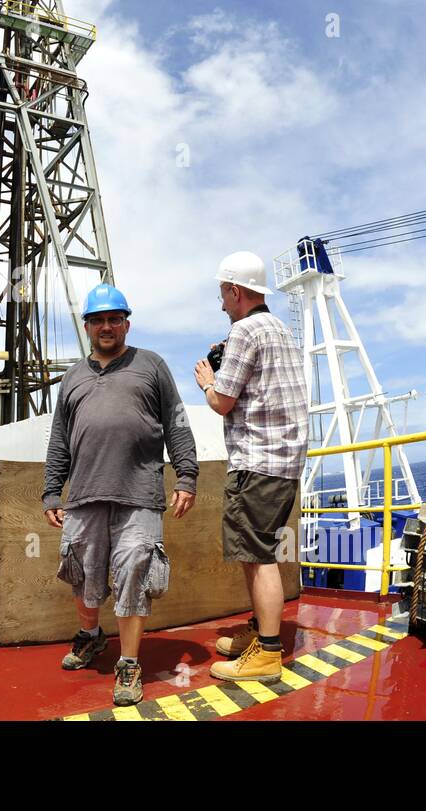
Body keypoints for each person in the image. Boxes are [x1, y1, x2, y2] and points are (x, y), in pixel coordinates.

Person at [44, 283, 199, 707]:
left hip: (139, 495)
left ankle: (129, 663)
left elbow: (177, 423)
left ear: (127, 323)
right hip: (85, 495)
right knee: (82, 574)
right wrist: (51, 492)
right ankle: (91, 637)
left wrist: (186, 475)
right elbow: (60, 439)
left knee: (134, 573)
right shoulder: (73, 376)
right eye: (99, 320)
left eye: (115, 319)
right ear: (88, 326)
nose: (107, 327)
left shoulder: (151, 365)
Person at [193, 251, 308, 683]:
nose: (221, 303)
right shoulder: (278, 328)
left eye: (223, 293)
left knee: (258, 557)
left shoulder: (244, 331)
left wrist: (207, 379)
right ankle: (262, 632)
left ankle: (267, 655)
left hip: (257, 461)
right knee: (255, 551)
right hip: (284, 461)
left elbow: (223, 402)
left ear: (235, 291)